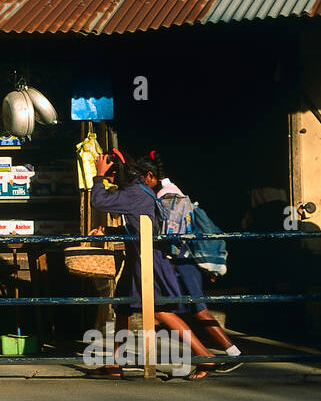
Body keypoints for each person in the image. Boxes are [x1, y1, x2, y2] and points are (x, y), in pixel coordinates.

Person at [89, 149, 219, 379]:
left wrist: (98, 177)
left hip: (149, 258)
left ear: (116, 173)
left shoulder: (132, 192)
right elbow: (140, 225)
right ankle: (115, 364)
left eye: (109, 176)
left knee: (160, 310)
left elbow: (98, 201)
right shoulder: (138, 188)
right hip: (138, 256)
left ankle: (205, 355)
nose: (107, 181)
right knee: (123, 307)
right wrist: (108, 231)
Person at [140, 151, 243, 371]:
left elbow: (172, 232)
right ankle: (155, 356)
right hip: (182, 260)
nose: (141, 184)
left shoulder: (168, 195)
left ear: (150, 175)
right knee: (173, 309)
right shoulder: (171, 191)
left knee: (197, 309)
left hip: (183, 260)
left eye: (142, 178)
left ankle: (233, 353)